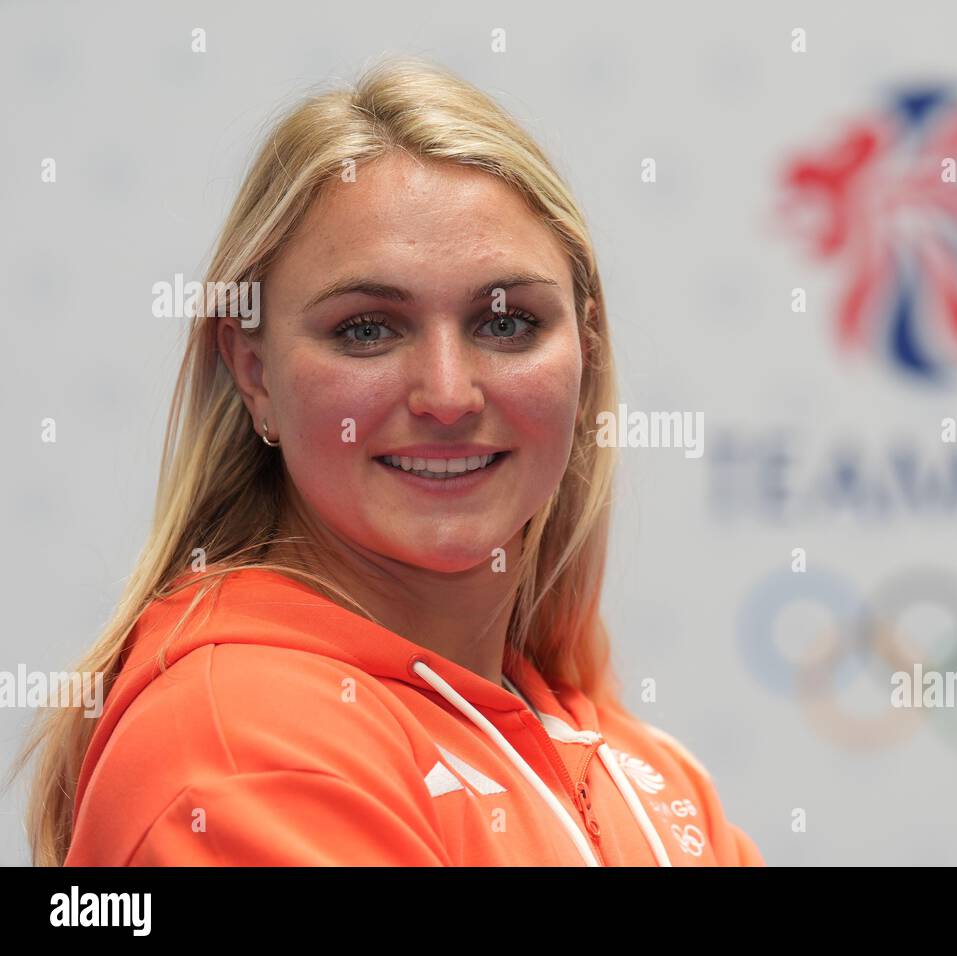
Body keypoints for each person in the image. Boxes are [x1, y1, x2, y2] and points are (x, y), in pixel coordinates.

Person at [16, 56, 764, 867]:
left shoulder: (637, 768)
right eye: (368, 329)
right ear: (254, 371)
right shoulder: (237, 746)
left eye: (506, 323)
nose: (447, 394)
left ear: (585, 352)